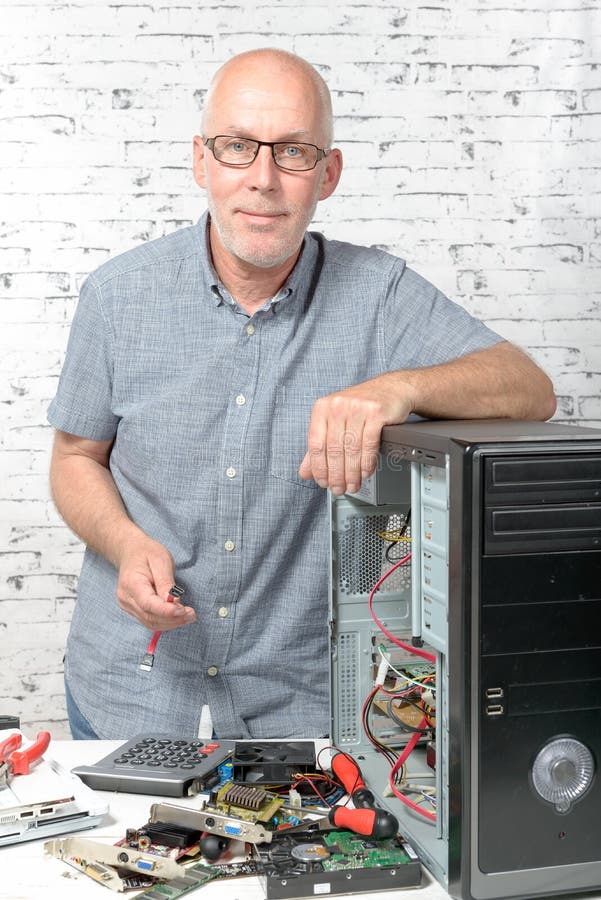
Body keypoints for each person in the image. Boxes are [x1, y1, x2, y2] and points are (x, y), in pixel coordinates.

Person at [48, 48, 556, 740]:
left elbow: (529, 390)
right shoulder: (116, 297)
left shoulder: (380, 295)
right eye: (236, 147)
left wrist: (399, 388)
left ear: (328, 173)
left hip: (302, 711)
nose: (262, 179)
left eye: (291, 152)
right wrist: (124, 538)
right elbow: (75, 455)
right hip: (128, 692)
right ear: (201, 161)